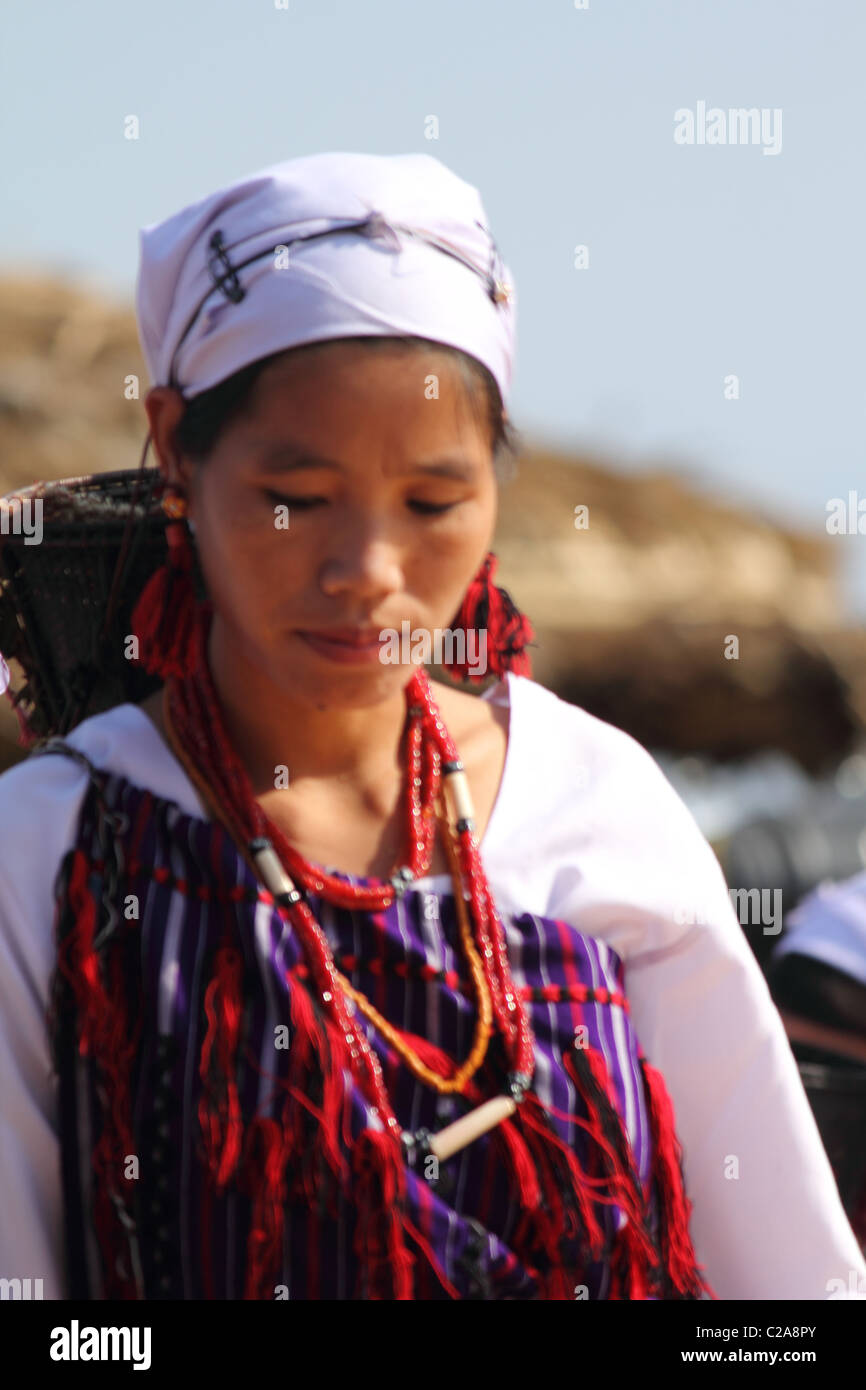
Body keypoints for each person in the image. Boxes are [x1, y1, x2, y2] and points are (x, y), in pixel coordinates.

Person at [0, 151, 864, 1301]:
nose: (367, 571)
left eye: (432, 504)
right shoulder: (48, 855)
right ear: (174, 447)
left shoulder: (598, 802)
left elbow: (788, 1301)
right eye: (294, 499)